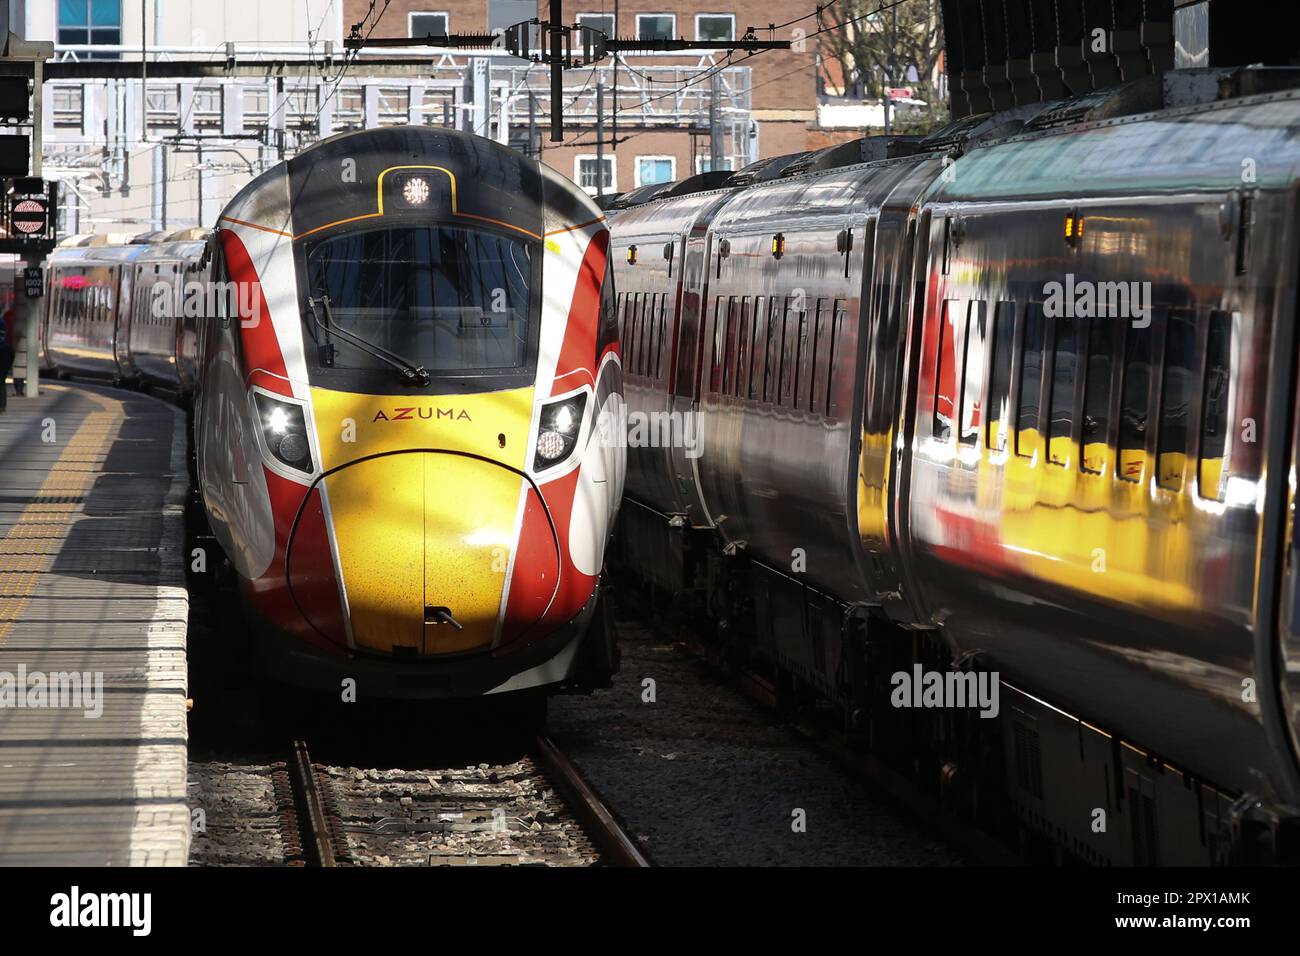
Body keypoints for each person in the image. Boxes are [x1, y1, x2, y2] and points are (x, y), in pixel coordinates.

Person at [0, 315, 13, 414]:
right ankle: (2, 405)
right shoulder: (3, 321)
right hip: (7, 350)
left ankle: (2, 405)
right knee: (1, 380)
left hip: (3, 351)